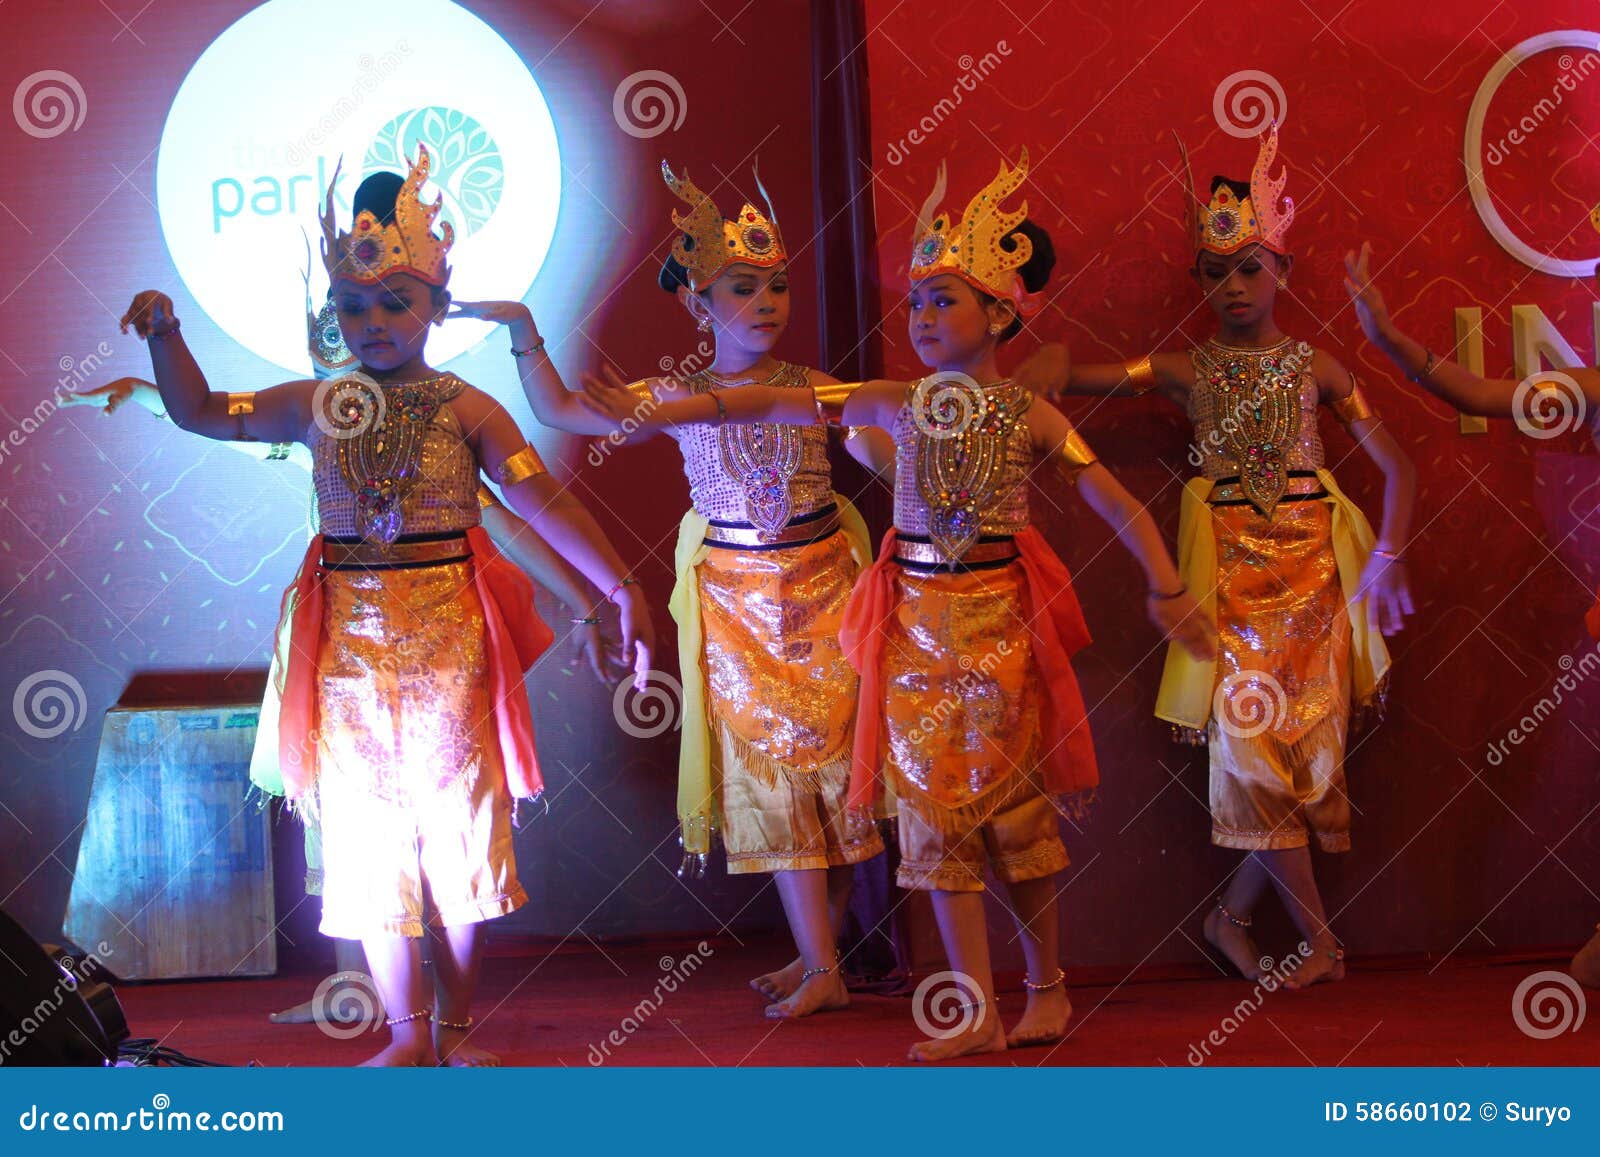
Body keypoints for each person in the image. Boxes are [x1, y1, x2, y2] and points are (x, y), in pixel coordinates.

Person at [119, 145, 653, 1064]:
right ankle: (404, 1035)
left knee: (456, 829)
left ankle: (454, 1029)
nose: (372, 322)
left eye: (395, 302)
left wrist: (620, 585)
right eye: (353, 306)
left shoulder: (469, 408)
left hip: (449, 643)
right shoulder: (317, 403)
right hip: (350, 657)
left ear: (436, 308)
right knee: (367, 838)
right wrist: (166, 335)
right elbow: (204, 410)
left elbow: (544, 503)